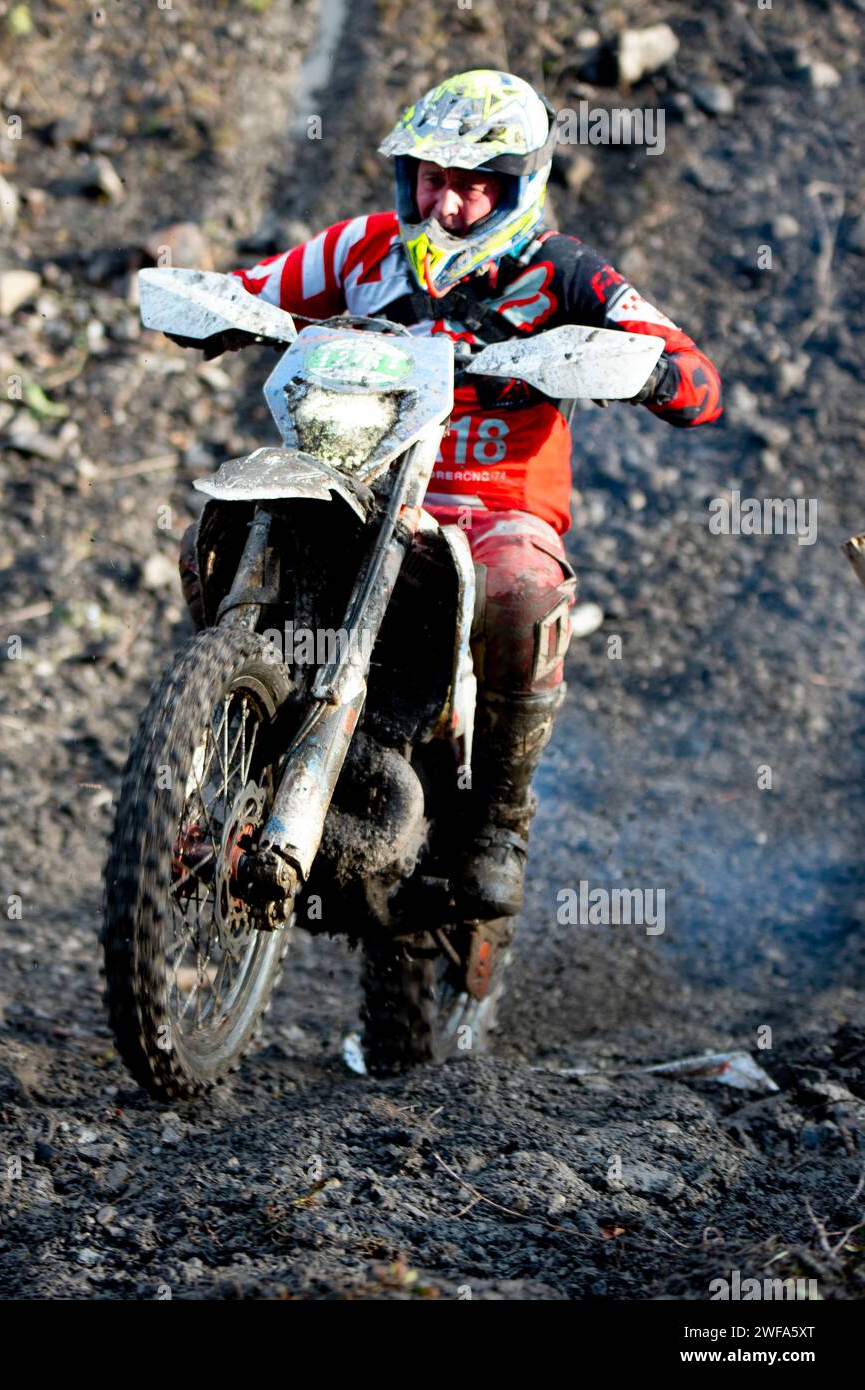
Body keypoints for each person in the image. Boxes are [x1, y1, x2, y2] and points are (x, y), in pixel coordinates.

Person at [173, 69, 722, 923]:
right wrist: (205, 305)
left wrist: (652, 371)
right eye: (432, 179)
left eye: (473, 185)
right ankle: (227, 727)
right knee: (231, 522)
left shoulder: (564, 272)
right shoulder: (360, 249)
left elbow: (694, 372)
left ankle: (499, 823)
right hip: (355, 485)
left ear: (517, 186)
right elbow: (254, 289)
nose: (446, 205)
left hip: (493, 507)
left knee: (521, 592)